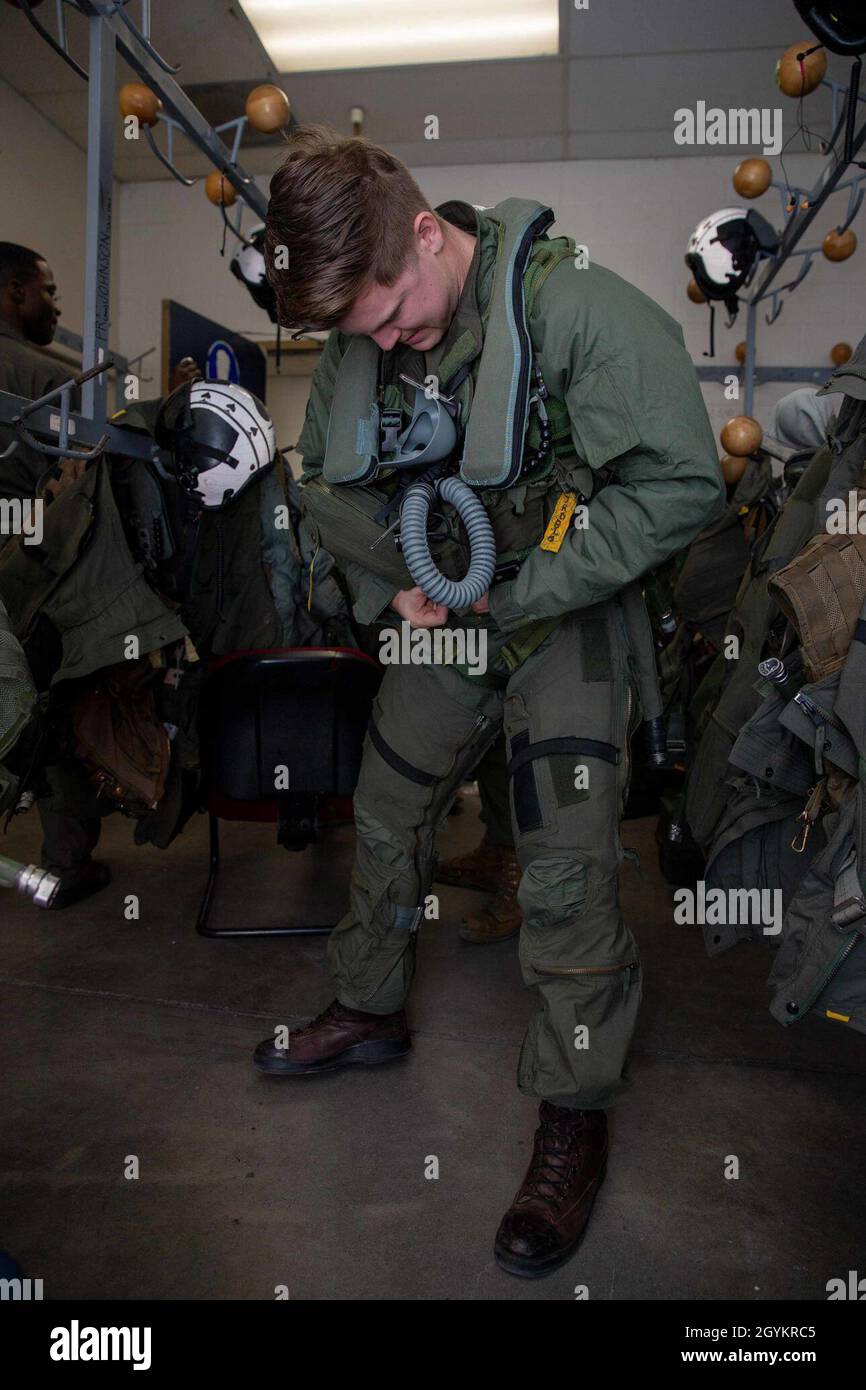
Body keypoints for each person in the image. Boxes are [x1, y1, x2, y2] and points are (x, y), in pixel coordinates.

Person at [253, 126, 724, 1277]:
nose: (394, 340)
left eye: (397, 312)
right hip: (444, 619)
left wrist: (519, 589)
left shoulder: (575, 311)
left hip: (564, 602)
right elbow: (329, 489)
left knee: (562, 869)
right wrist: (396, 594)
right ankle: (368, 1005)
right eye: (364, 334)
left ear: (425, 232)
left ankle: (571, 1110)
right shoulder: (368, 338)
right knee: (386, 807)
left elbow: (681, 483)